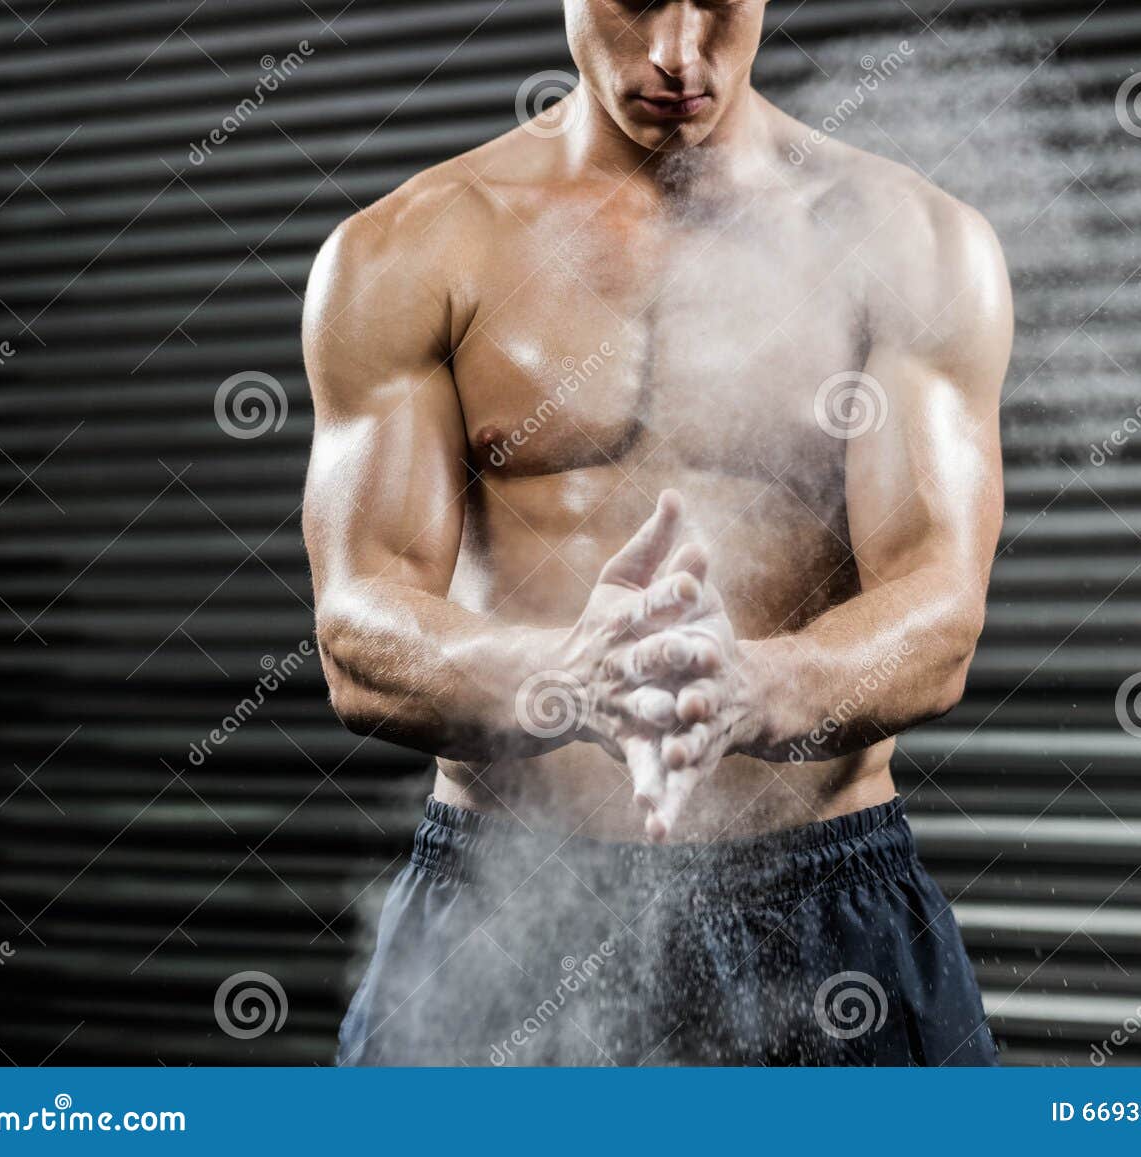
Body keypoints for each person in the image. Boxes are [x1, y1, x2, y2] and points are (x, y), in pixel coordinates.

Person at [304, 0, 1010, 1065]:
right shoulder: (410, 249)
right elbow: (358, 635)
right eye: (635, 4)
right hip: (502, 903)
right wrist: (562, 675)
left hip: (820, 915)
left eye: (717, 5)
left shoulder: (909, 242)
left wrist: (758, 687)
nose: (677, 52)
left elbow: (940, 612)